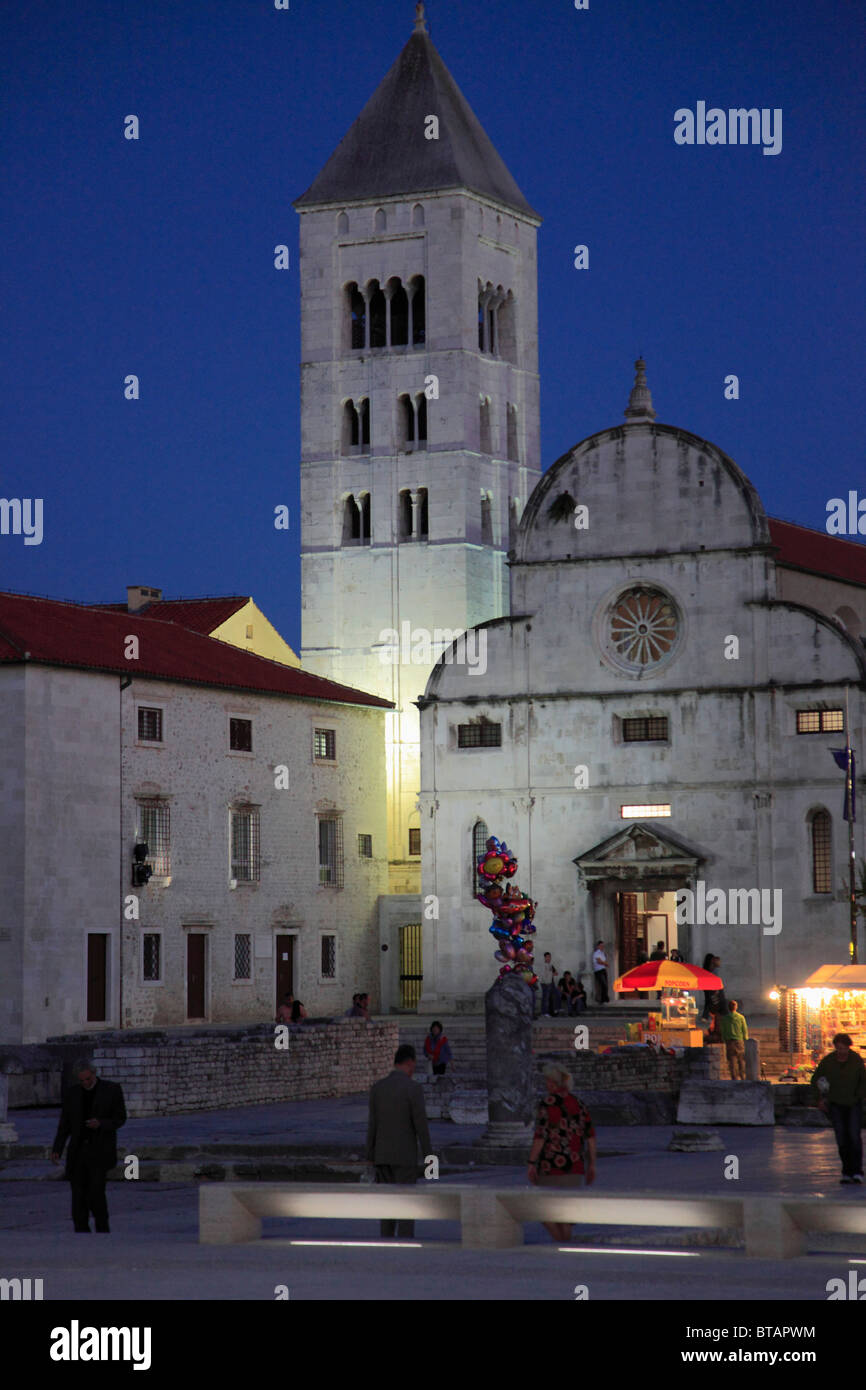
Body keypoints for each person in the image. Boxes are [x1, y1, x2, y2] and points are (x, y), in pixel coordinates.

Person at [51, 1059, 127, 1234]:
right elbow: (65, 1125)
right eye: (82, 1080)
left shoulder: (111, 1090)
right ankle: (80, 1229)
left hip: (99, 1151)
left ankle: (102, 1228)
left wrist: (101, 1123)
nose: (85, 1083)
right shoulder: (72, 1094)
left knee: (96, 1193)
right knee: (77, 1195)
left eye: (88, 1079)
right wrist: (57, 1148)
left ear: (94, 1074)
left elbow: (120, 1118)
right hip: (77, 1152)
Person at [366, 1044, 433, 1237]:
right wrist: (430, 1161)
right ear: (410, 1062)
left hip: (382, 1157)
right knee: (406, 1205)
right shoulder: (413, 1089)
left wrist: (370, 1157)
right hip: (405, 1159)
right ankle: (405, 1245)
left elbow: (372, 1126)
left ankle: (386, 1240)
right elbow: (422, 1128)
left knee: (386, 1205)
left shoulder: (377, 1088)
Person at [527, 1063, 596, 1242]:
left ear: (552, 1083)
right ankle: (565, 1246)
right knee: (565, 1214)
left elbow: (540, 1136)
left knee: (544, 1210)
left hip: (551, 1166)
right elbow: (590, 1136)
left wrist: (531, 1163)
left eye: (547, 1080)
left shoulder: (547, 1104)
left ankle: (560, 1244)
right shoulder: (579, 1104)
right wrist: (592, 1164)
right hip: (575, 1165)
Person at [810, 1033, 866, 1184]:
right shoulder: (828, 1061)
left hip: (853, 1103)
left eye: (844, 1048)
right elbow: (815, 1079)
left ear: (849, 1047)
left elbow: (863, 1080)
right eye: (839, 1048)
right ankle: (846, 1171)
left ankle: (857, 1170)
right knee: (841, 1138)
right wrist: (819, 1099)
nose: (841, 1051)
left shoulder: (856, 1061)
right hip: (835, 1104)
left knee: (854, 1137)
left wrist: (859, 1096)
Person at [718, 999, 749, 1079]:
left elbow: (723, 1030)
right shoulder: (741, 1018)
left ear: (728, 1008)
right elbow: (744, 1029)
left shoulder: (725, 1019)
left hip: (729, 1041)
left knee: (732, 1060)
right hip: (739, 1040)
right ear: (736, 1007)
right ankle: (742, 1076)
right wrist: (745, 1038)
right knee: (741, 1059)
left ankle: (734, 1077)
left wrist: (724, 1039)